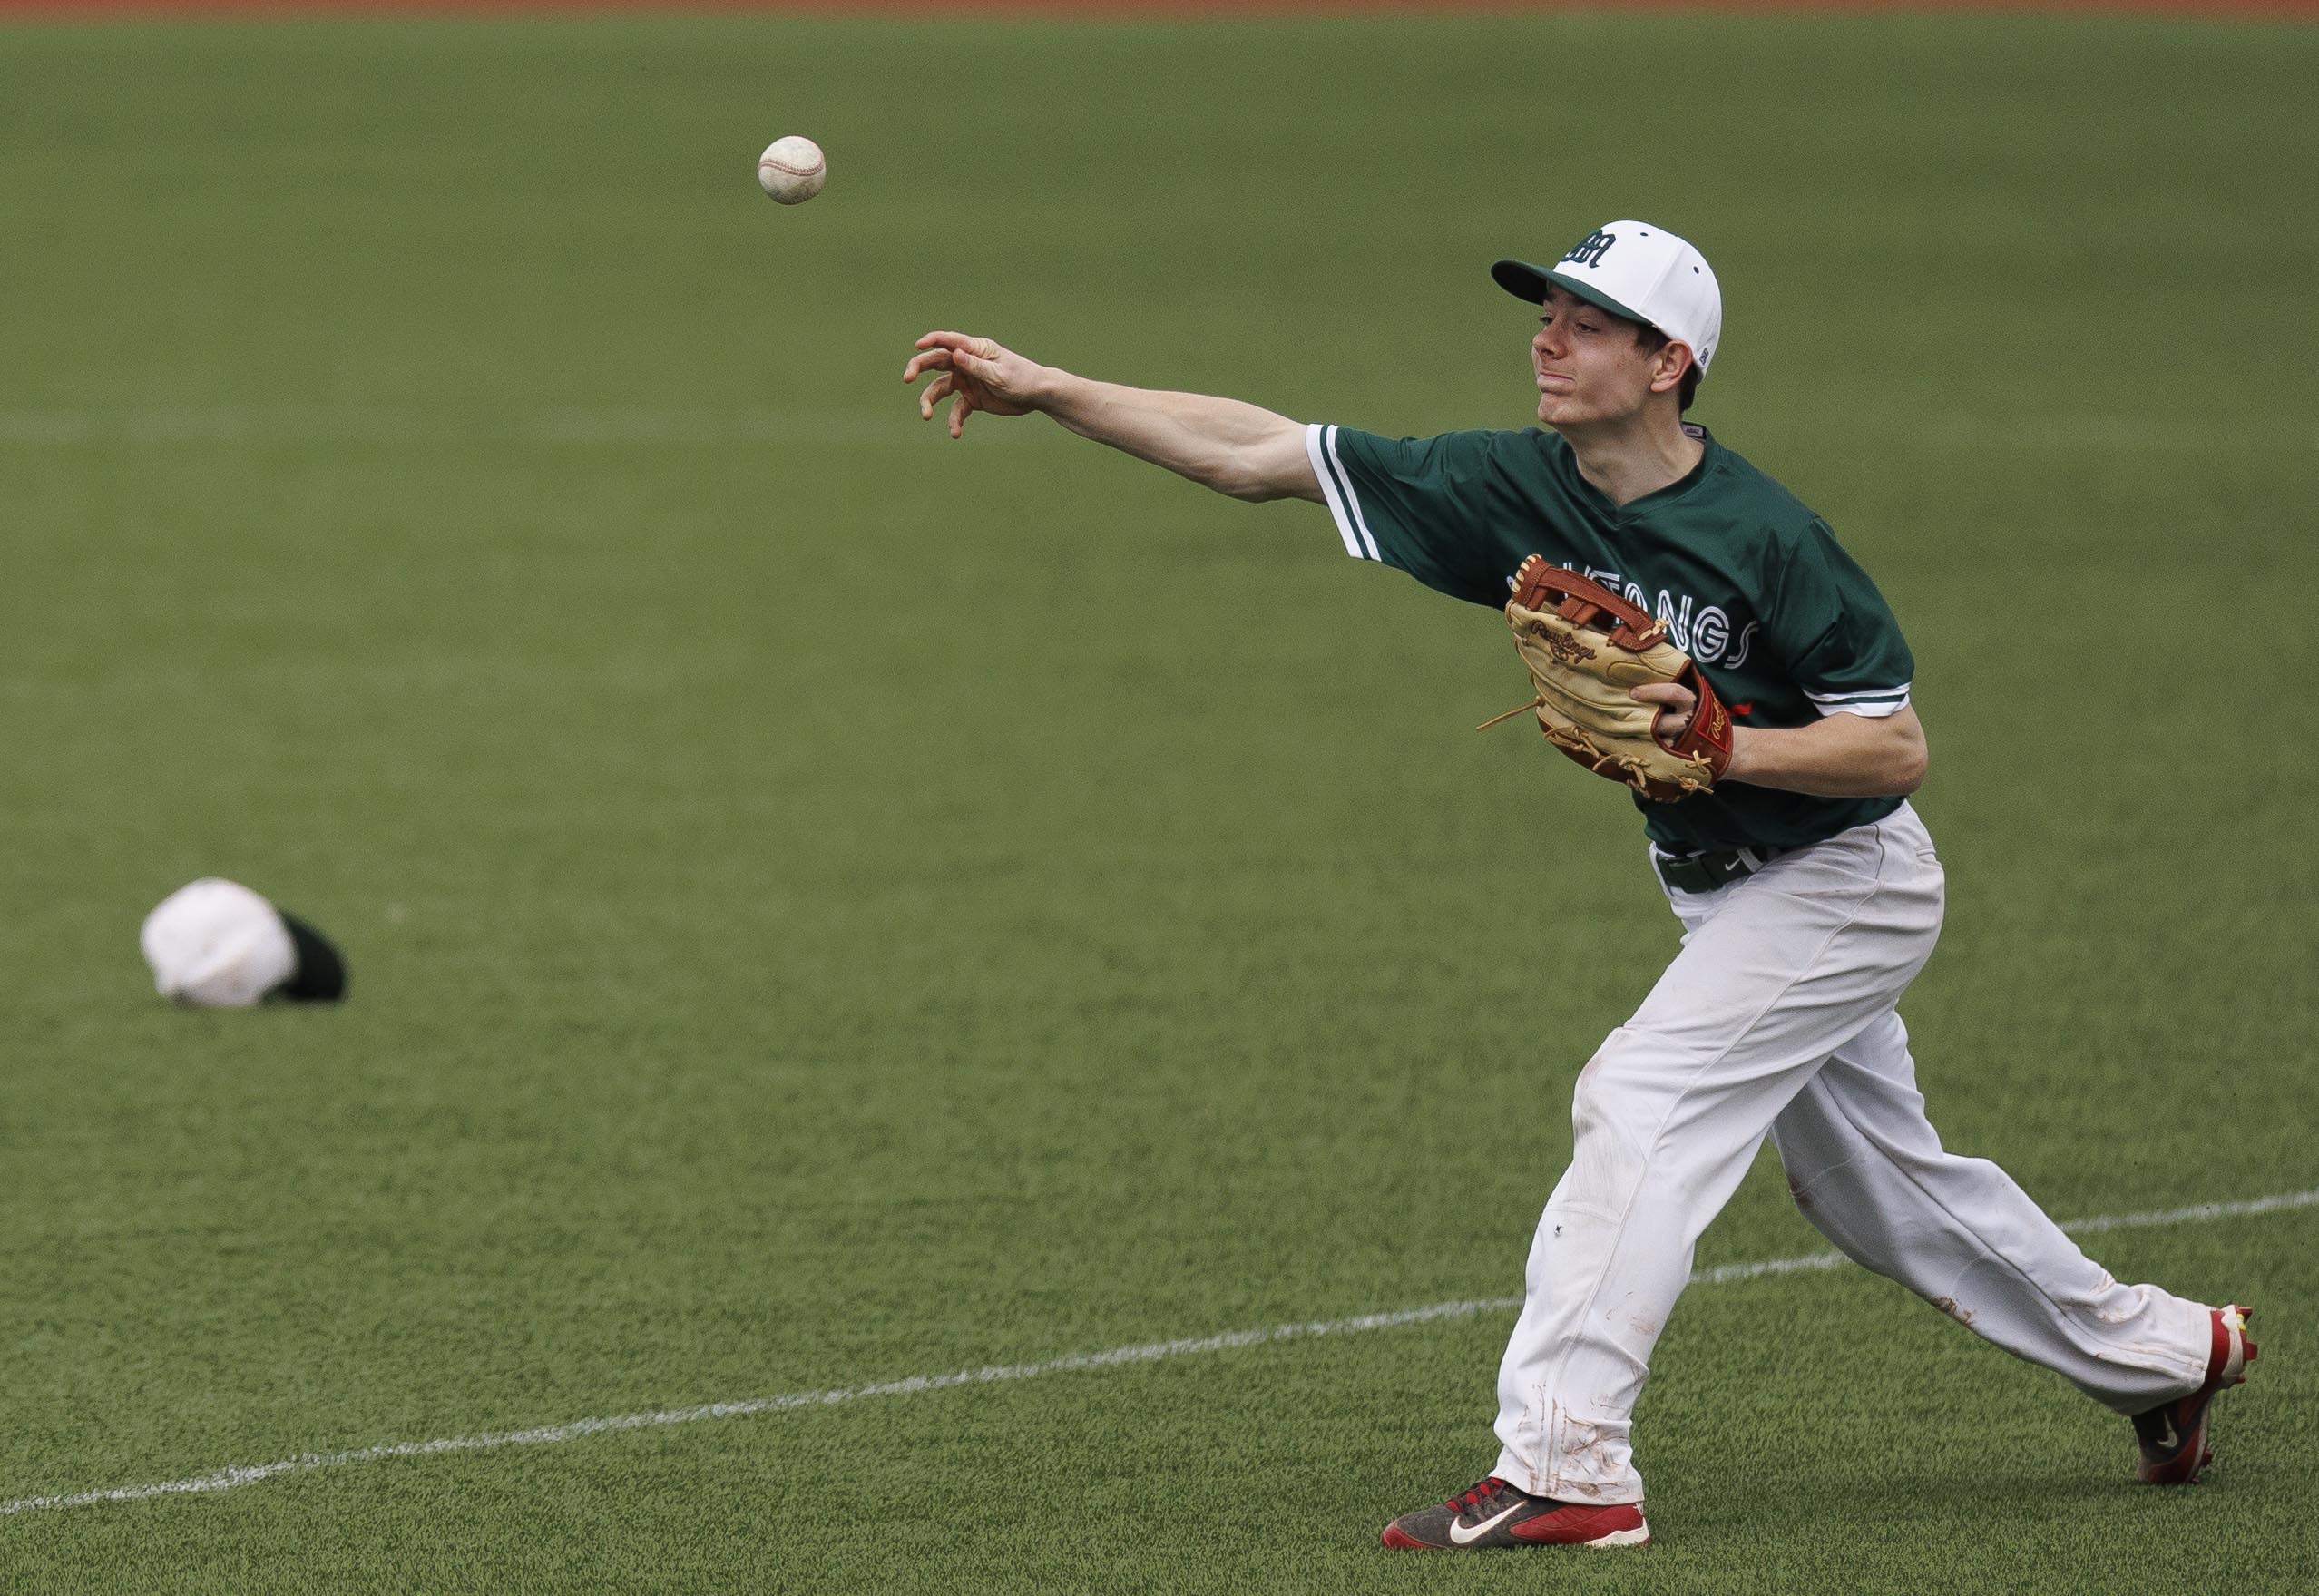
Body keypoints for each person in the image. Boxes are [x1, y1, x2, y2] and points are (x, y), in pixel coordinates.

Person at [901, 220, 2255, 1552]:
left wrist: (1733, 742)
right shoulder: (1516, 484)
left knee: (1641, 1095)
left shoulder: (1770, 536)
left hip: (1845, 880)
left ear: (1670, 362)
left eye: (1586, 322)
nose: (1548, 339)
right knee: (1877, 1193)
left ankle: (1568, 1463)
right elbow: (1265, 454)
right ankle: (2166, 1358)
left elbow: (1894, 743)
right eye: (1547, 314)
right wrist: (1052, 389)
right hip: (1728, 893)